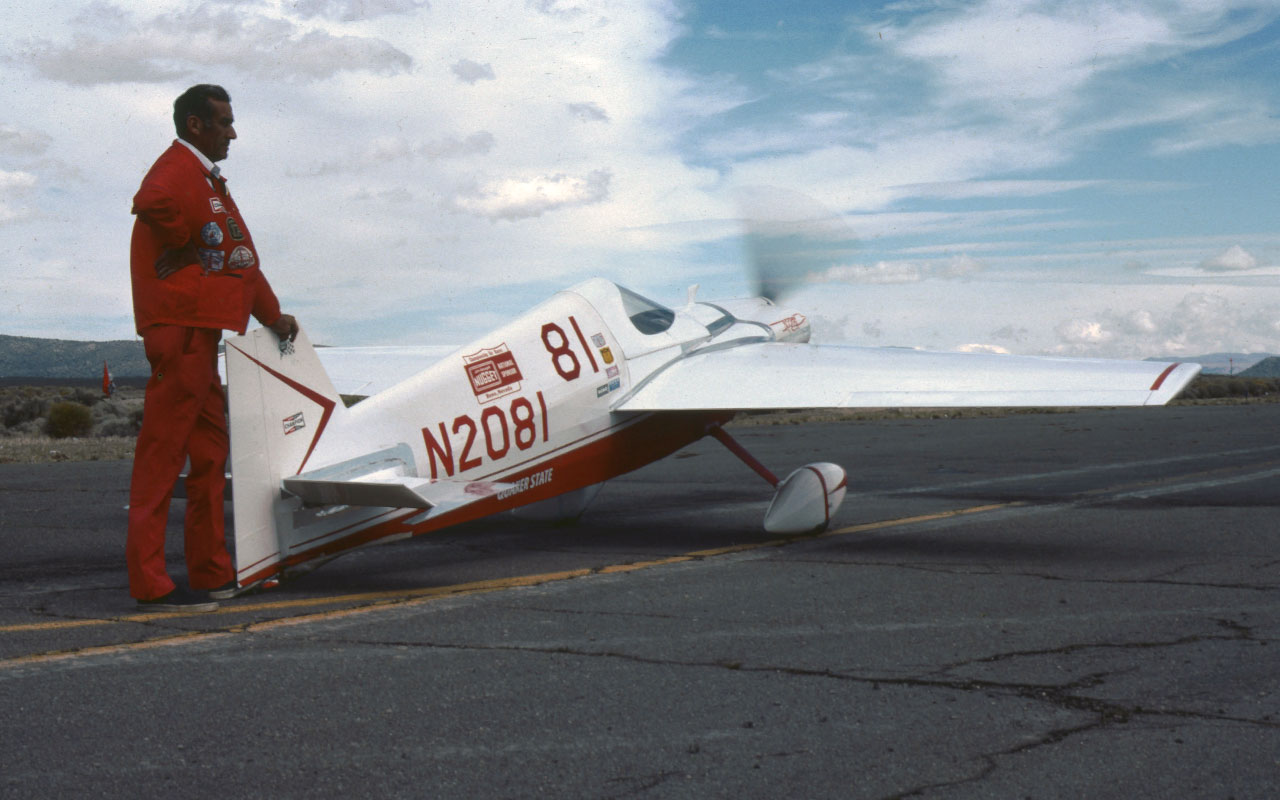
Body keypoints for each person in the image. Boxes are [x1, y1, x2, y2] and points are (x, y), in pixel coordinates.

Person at [127, 84, 298, 611]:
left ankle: (210, 572)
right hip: (179, 333)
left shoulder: (207, 179)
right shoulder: (178, 168)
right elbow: (150, 201)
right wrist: (182, 238)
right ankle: (151, 584)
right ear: (196, 125)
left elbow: (240, 259)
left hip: (200, 333)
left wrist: (273, 316)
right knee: (162, 459)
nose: (233, 132)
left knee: (208, 457)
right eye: (223, 122)